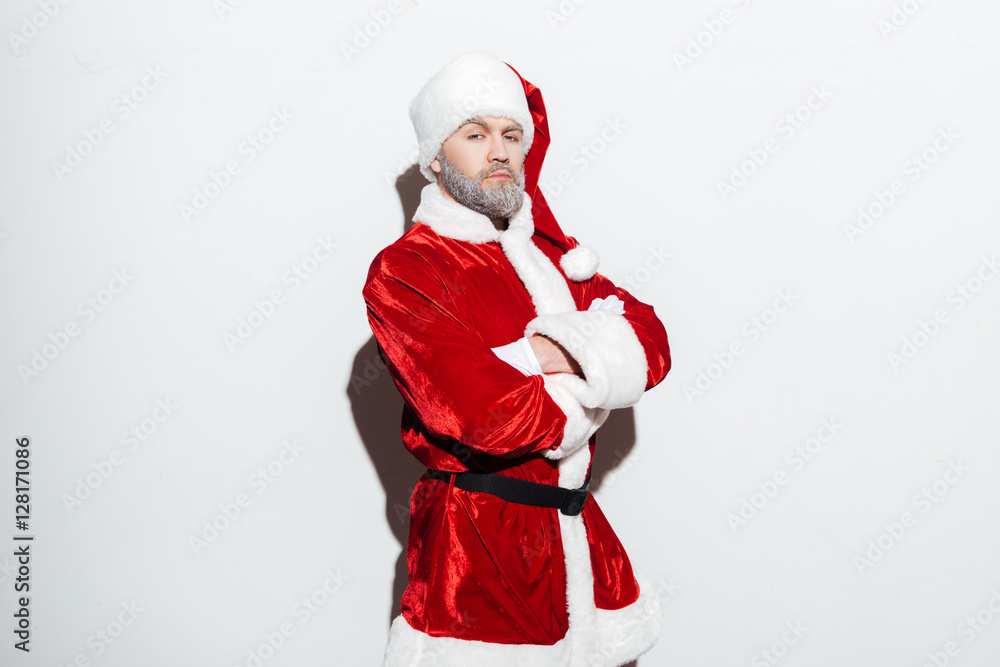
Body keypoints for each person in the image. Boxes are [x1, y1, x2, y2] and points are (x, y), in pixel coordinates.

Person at [362, 52, 672, 666]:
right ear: (436, 155)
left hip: (584, 543)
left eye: (510, 134)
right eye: (474, 134)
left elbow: (652, 341)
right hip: (478, 554)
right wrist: (585, 361)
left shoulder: (554, 259)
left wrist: (528, 357)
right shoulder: (407, 270)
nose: (498, 150)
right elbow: (483, 415)